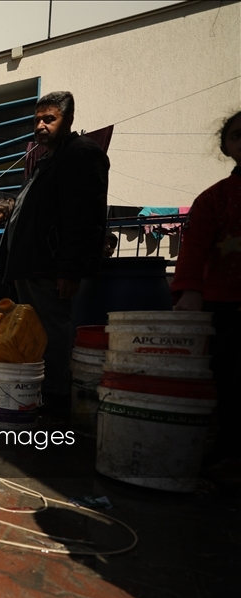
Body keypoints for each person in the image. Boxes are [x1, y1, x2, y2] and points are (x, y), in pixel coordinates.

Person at [0, 91, 109, 415]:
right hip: (31, 267)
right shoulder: (46, 160)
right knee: (36, 334)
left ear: (68, 120)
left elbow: (85, 216)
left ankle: (57, 403)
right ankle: (40, 396)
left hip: (52, 266)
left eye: (49, 119)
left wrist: (70, 269)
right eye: (37, 120)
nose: (41, 126)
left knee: (53, 333)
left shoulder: (81, 154)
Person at [171, 110, 240, 481]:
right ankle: (226, 450)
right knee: (227, 378)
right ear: (226, 147)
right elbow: (194, 248)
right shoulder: (215, 198)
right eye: (237, 135)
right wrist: (189, 291)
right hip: (223, 304)